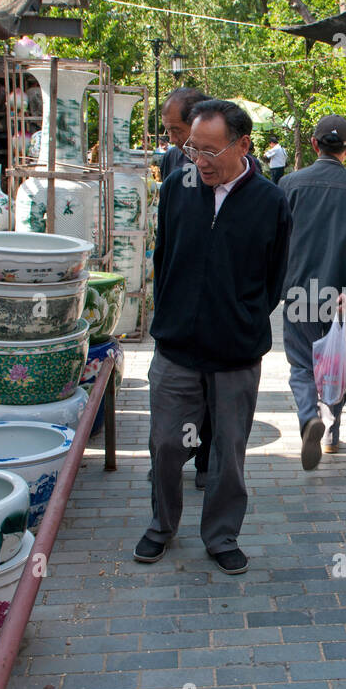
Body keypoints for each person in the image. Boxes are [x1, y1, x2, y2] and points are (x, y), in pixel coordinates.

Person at [136, 99, 292, 575]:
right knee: (165, 443)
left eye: (209, 150)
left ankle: (222, 535)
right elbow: (163, 258)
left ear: (242, 144)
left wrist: (241, 319)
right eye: (190, 149)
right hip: (176, 348)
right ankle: (162, 525)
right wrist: (173, 314)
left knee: (228, 452)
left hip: (235, 353)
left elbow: (275, 278)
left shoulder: (270, 201)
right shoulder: (177, 188)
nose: (198, 161)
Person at [279, 114, 346, 468]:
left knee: (301, 365)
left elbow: (274, 241)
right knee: (335, 363)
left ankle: (309, 417)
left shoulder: (289, 184)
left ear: (314, 144)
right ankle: (332, 434)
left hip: (298, 294)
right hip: (342, 296)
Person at [154, 86, 214, 487]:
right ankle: (168, 461)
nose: (172, 137)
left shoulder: (238, 166)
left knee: (212, 392)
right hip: (178, 304)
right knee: (175, 393)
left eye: (176, 129)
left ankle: (206, 462)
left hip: (217, 304)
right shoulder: (173, 160)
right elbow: (165, 238)